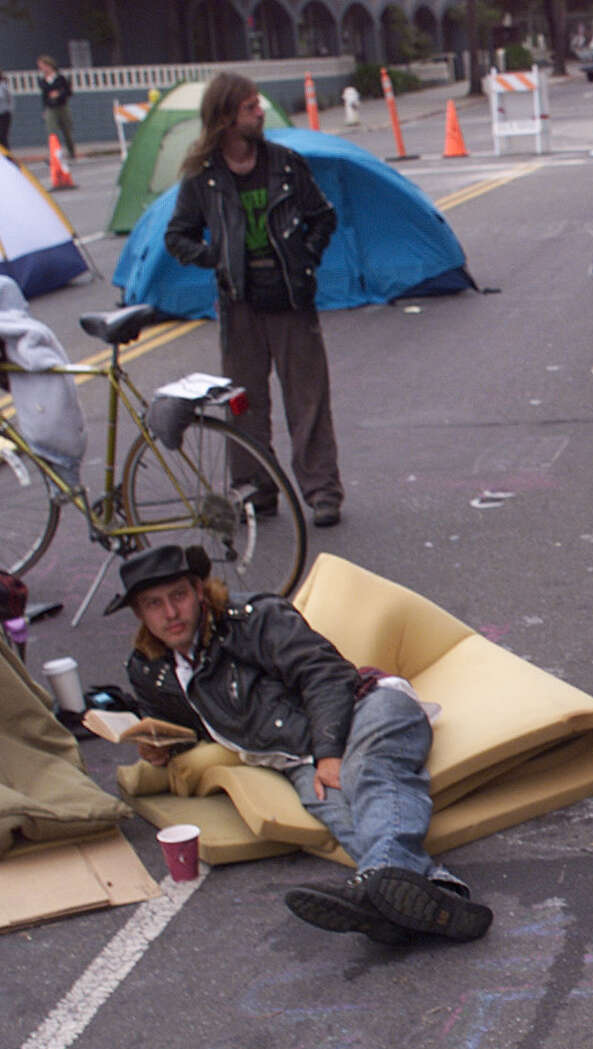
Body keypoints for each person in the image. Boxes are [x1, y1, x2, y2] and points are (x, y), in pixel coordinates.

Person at [112, 545, 492, 945]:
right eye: (154, 604)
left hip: (367, 708)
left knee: (370, 775)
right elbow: (179, 729)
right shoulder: (148, 669)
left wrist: (329, 753)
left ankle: (374, 893)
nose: (170, 613)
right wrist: (159, 749)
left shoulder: (252, 618)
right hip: (297, 756)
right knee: (345, 819)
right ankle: (434, 898)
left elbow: (326, 675)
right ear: (139, 614)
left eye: (179, 596)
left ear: (200, 592)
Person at [164, 72, 345, 528]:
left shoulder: (285, 164)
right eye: (250, 107)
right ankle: (257, 492)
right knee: (245, 402)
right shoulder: (205, 177)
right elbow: (177, 235)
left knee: (308, 399)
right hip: (239, 301)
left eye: (258, 105)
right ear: (226, 117)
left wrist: (306, 256)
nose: (260, 112)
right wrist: (217, 258)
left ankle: (322, 492)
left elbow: (323, 216)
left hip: (289, 295)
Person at [35, 55, 75, 161]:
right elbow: (44, 96)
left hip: (61, 106)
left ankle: (71, 152)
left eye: (43, 66)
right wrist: (44, 109)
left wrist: (59, 94)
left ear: (49, 66)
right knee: (52, 132)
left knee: (67, 131)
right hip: (50, 107)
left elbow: (68, 92)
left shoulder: (60, 78)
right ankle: (55, 154)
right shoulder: (42, 80)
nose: (41, 69)